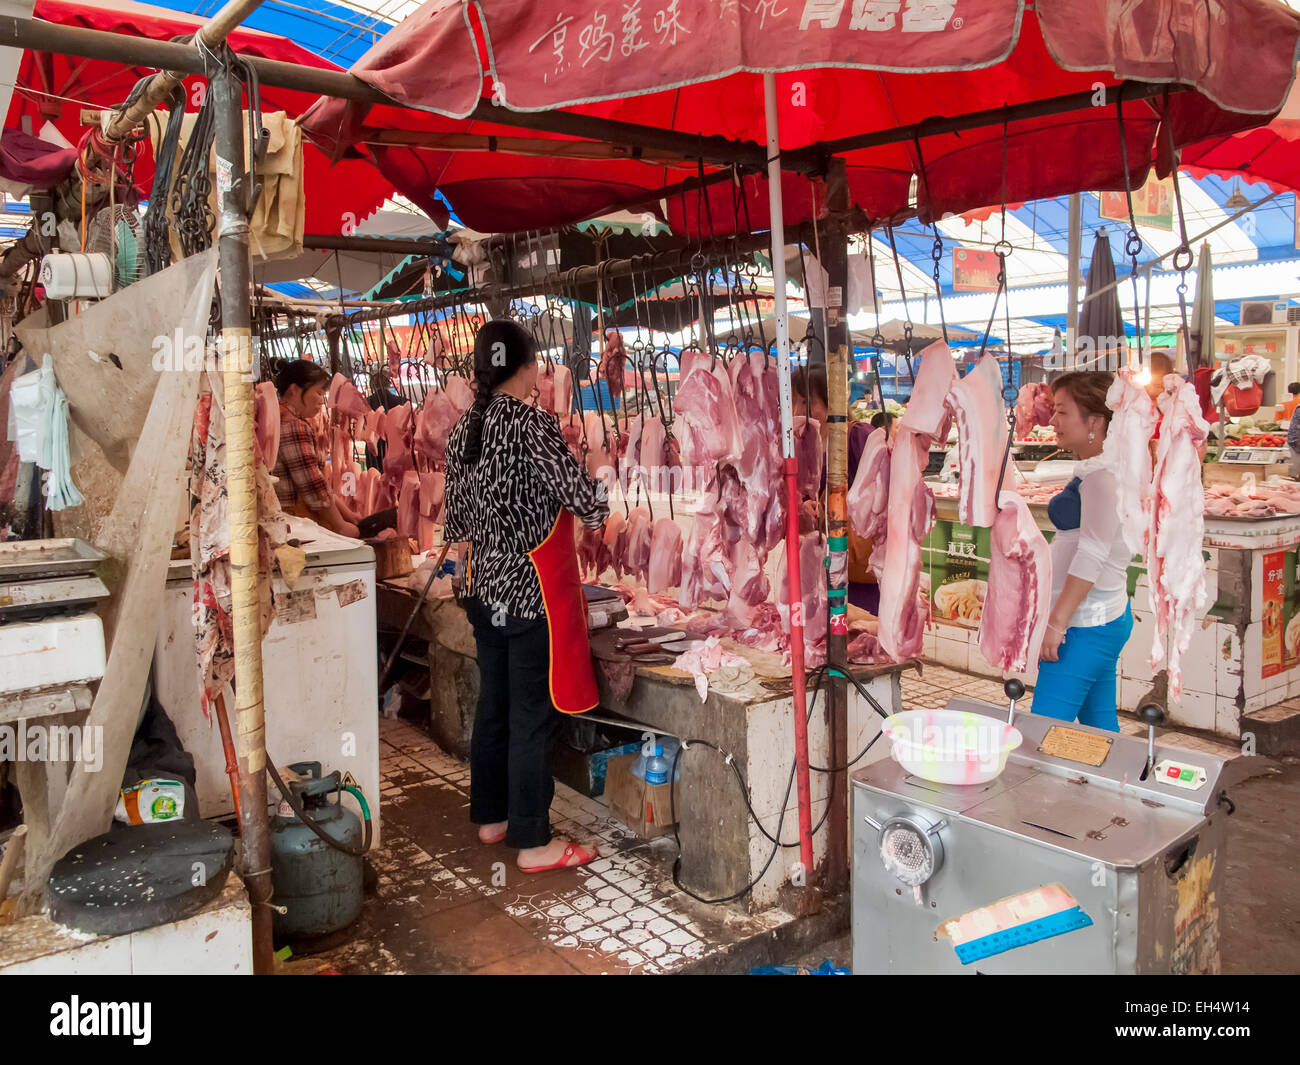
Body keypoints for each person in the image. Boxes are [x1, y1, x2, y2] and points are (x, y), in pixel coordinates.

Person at [443, 319, 609, 873]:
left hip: (483, 589)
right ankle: (534, 842)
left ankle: (491, 817)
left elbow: (459, 519)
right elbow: (575, 491)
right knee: (532, 714)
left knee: (496, 705)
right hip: (529, 592)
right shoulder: (530, 425)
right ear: (525, 366)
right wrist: (601, 504)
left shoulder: (468, 426)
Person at [1031, 371, 1133, 733]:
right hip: (1099, 617)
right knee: (1099, 727)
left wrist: (1057, 624)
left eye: (1062, 412)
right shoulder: (1099, 469)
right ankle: (1118, 789)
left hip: (1087, 623)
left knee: (1042, 732)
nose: (1053, 421)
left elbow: (1092, 555)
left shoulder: (1102, 477)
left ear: (1095, 421)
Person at [271, 360, 362, 537]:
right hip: (295, 524)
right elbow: (311, 486)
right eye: (318, 393)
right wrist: (340, 525)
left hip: (286, 522)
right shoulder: (293, 426)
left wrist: (348, 514)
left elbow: (318, 482)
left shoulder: (277, 418)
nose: (321, 402)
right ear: (294, 391)